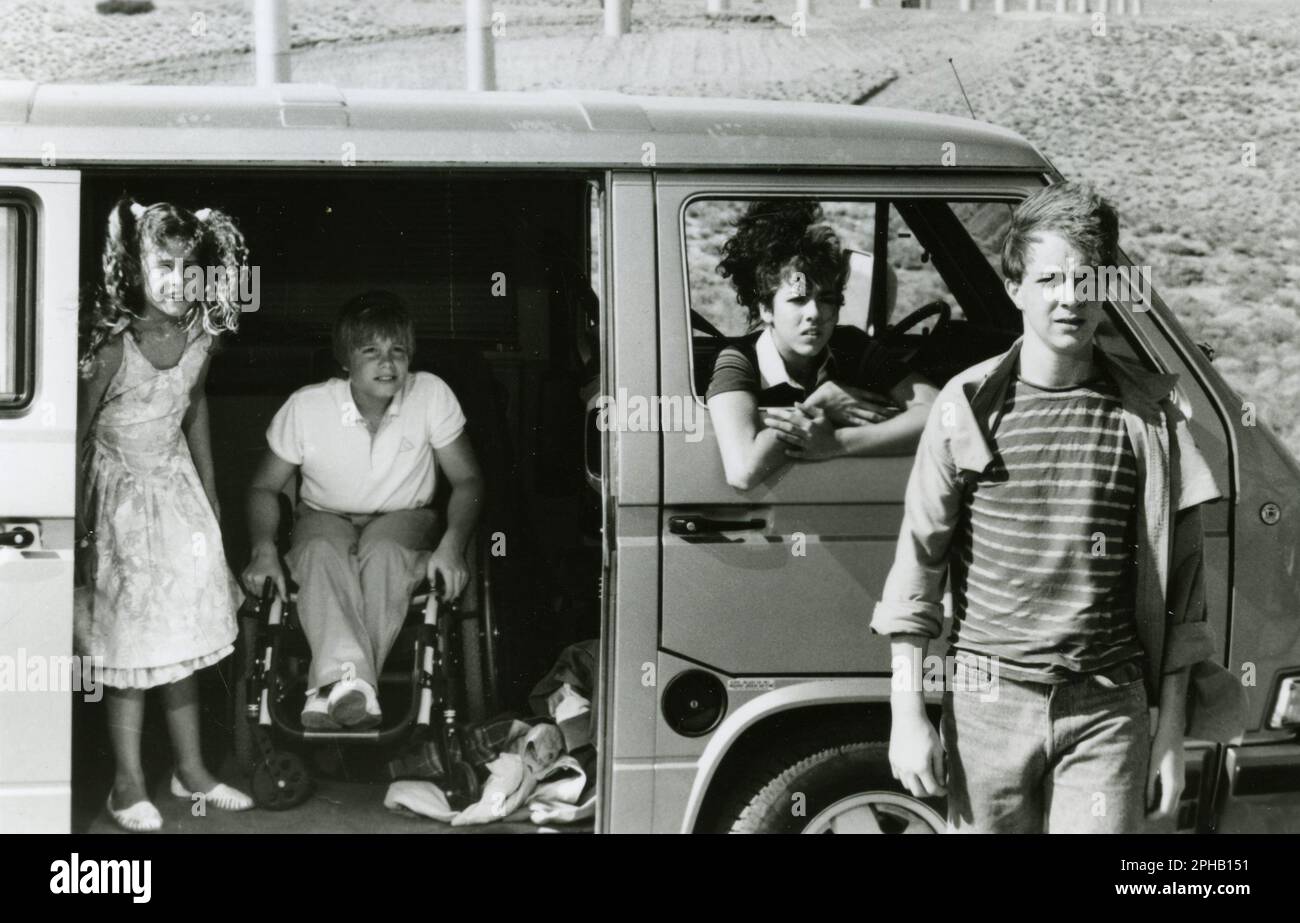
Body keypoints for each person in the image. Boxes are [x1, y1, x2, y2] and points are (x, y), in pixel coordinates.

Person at [871, 182, 1224, 833]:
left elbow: (1187, 594)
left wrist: (1169, 734)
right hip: (985, 706)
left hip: (1107, 715)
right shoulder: (966, 407)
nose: (1070, 298)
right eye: (1050, 278)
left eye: (1087, 279)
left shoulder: (1151, 417)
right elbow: (917, 566)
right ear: (1016, 287)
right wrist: (906, 713)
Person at [76, 197, 254, 832]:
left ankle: (191, 770)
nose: (178, 281)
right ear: (134, 267)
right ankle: (126, 785)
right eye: (162, 265)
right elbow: (78, 433)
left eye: (189, 266)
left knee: (182, 636)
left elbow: (194, 408)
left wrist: (209, 496)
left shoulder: (201, 339)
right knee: (128, 645)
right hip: (118, 499)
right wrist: (78, 526)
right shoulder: (111, 347)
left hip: (174, 493)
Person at [241, 291, 484, 732]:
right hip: (325, 516)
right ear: (345, 360)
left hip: (403, 518)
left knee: (386, 553)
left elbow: (468, 480)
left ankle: (328, 689)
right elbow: (263, 487)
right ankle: (356, 690)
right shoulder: (307, 406)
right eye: (371, 351)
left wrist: (452, 547)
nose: (387, 364)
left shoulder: (431, 394)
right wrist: (262, 549)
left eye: (398, 351)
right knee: (317, 551)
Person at [704, 200, 937, 491]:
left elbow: (940, 412)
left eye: (826, 300)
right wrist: (822, 402)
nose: (814, 313)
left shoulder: (851, 345)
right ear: (766, 309)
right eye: (798, 299)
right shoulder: (739, 360)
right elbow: (742, 471)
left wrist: (838, 443)